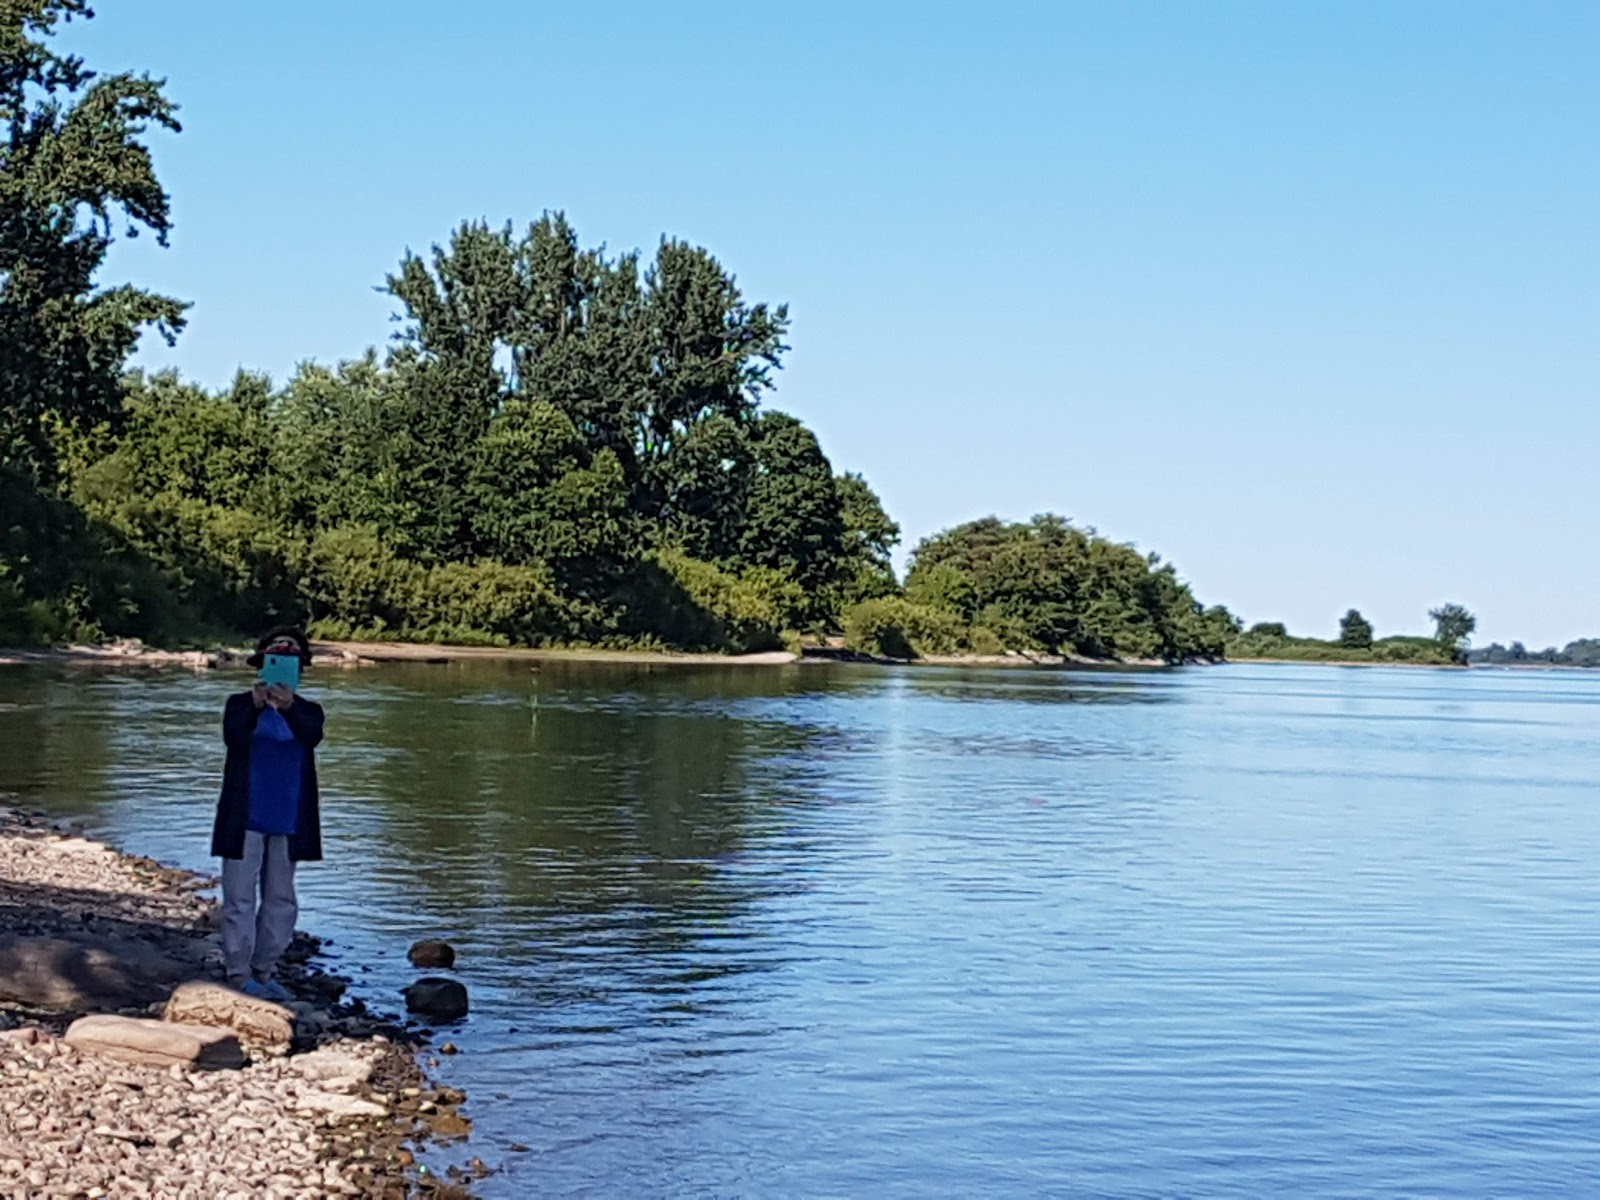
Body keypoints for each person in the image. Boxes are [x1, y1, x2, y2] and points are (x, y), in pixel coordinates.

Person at [211, 627, 325, 1001]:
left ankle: (265, 968)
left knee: (281, 899)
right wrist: (258, 705)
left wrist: (288, 706)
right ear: (261, 664)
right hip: (244, 816)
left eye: (292, 661)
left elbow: (312, 734)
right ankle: (238, 971)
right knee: (239, 897)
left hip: (290, 819)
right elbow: (233, 736)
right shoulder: (239, 705)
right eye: (278, 659)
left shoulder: (308, 711)